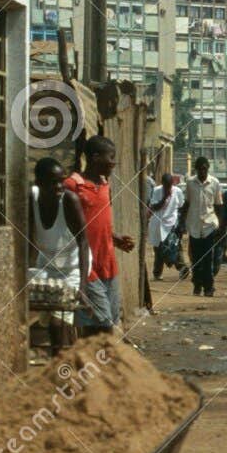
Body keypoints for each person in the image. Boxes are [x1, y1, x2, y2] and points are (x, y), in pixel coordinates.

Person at [64, 136, 134, 335]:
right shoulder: (73, 186)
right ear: (95, 158)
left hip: (108, 264)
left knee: (110, 319)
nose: (113, 162)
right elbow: (68, 227)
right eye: (110, 157)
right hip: (86, 266)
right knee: (102, 323)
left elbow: (99, 222)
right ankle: (92, 362)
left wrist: (115, 238)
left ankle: (98, 362)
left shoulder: (105, 184)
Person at [28, 157, 90, 349]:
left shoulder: (69, 200)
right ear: (39, 183)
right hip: (45, 266)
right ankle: (66, 357)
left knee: (58, 325)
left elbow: (83, 242)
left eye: (61, 181)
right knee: (50, 323)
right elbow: (27, 238)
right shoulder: (32, 198)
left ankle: (61, 372)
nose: (59, 187)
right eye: (52, 182)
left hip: (72, 268)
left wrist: (82, 287)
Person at [184, 156, 223, 297]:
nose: (202, 172)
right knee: (196, 258)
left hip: (209, 225)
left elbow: (218, 205)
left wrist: (221, 226)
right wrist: (182, 222)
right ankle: (197, 285)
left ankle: (209, 287)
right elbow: (187, 203)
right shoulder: (190, 183)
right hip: (194, 226)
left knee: (208, 259)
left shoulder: (215, 183)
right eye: (199, 169)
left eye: (204, 169)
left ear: (207, 168)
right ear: (196, 169)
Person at [148, 171, 185, 280]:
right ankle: (157, 273)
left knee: (175, 246)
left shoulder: (177, 191)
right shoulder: (156, 191)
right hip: (158, 225)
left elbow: (181, 206)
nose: (168, 188)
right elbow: (154, 207)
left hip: (171, 224)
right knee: (159, 250)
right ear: (162, 183)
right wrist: (164, 198)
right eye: (166, 185)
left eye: (170, 185)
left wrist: (181, 224)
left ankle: (182, 268)